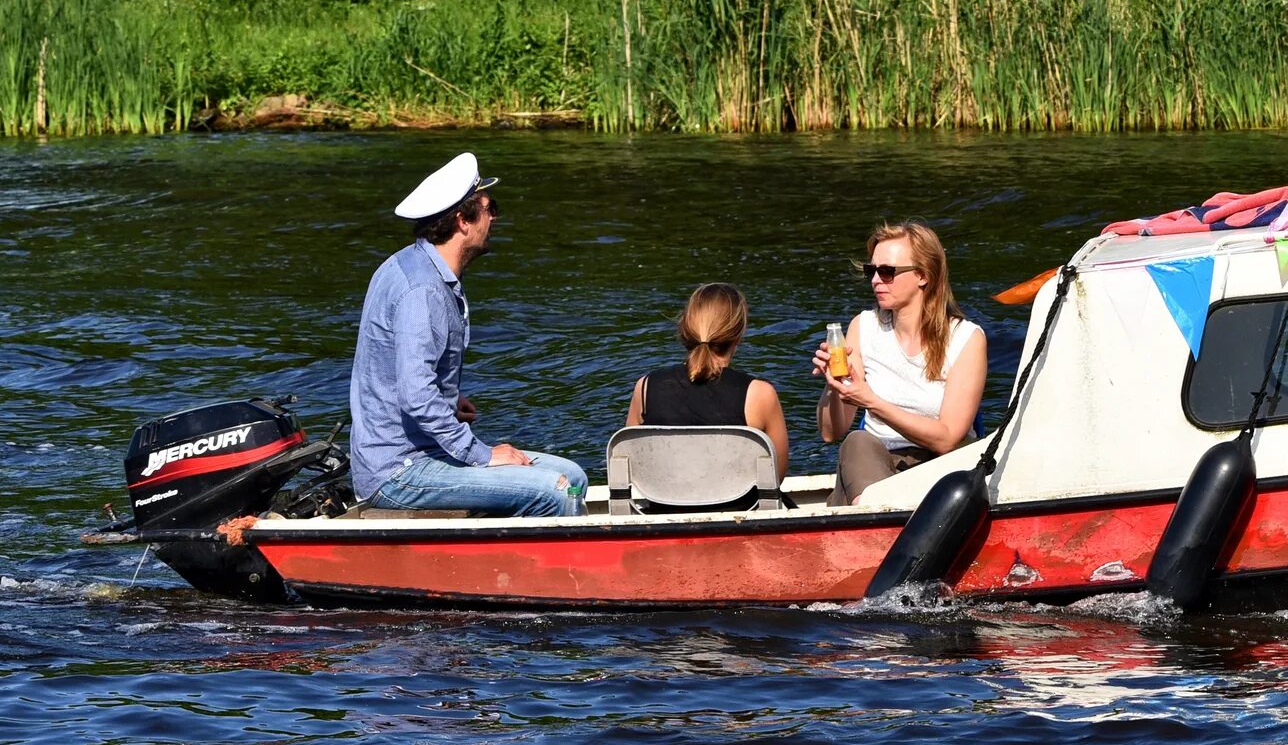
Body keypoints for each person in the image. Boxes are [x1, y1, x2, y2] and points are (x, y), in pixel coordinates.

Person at [347, 151, 589, 516]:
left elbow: (403, 372)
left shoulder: (411, 264)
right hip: (400, 469)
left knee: (573, 476)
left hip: (421, 449)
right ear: (463, 220)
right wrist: (483, 455)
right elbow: (414, 396)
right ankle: (533, 572)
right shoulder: (423, 291)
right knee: (557, 491)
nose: (495, 217)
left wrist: (448, 397)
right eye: (491, 208)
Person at [813, 221, 987, 505]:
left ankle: (870, 524)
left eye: (887, 272)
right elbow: (831, 432)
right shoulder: (863, 326)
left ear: (923, 275)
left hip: (941, 468)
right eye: (872, 271)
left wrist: (872, 402)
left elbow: (947, 439)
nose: (875, 280)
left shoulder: (966, 338)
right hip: (874, 462)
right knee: (856, 443)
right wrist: (834, 387)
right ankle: (873, 520)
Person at [627, 283, 790, 477]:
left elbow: (631, 465)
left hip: (663, 507)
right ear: (738, 336)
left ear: (686, 329)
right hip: (740, 507)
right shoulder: (760, 394)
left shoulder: (645, 388)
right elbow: (776, 475)